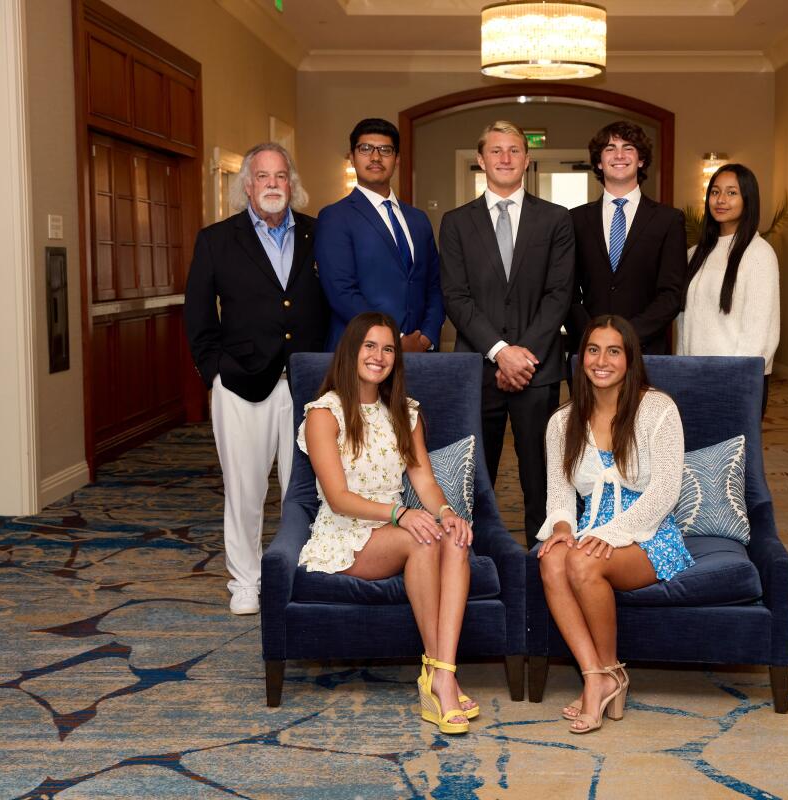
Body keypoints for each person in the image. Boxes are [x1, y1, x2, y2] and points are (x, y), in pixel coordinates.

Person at [297, 312, 478, 734]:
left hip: (398, 527)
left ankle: (441, 675)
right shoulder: (324, 414)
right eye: (370, 346)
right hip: (348, 533)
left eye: (388, 349)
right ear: (351, 351)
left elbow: (423, 479)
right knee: (423, 541)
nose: (379, 356)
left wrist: (448, 514)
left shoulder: (405, 413)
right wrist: (400, 514)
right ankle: (443, 684)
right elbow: (339, 498)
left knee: (451, 540)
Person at [184, 142, 329, 615]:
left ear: (292, 184)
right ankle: (245, 580)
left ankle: (297, 571)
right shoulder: (216, 240)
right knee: (245, 490)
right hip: (242, 384)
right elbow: (199, 319)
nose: (272, 184)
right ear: (246, 185)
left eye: (281, 176)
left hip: (307, 382)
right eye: (263, 176)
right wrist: (215, 374)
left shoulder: (316, 234)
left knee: (304, 486)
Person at [536, 315, 692, 734]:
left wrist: (607, 535)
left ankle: (609, 672)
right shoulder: (561, 422)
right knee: (552, 560)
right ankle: (598, 676)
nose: (601, 360)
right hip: (590, 530)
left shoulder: (657, 409)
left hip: (648, 531)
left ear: (629, 359)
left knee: (583, 564)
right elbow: (560, 494)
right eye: (592, 350)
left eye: (613, 351)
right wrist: (564, 529)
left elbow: (664, 493)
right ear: (580, 357)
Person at [440, 120, 575, 548]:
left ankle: (541, 564)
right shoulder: (457, 223)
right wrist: (500, 352)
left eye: (513, 150)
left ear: (526, 160)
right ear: (480, 160)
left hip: (539, 369)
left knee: (541, 475)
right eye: (495, 150)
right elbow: (456, 297)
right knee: (477, 475)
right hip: (478, 369)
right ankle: (477, 562)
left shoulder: (555, 220)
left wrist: (522, 355)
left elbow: (559, 294)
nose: (504, 158)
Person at [316, 118, 443, 352]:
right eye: (365, 149)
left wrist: (426, 337)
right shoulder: (334, 217)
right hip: (358, 353)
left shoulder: (418, 220)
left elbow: (434, 286)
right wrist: (395, 340)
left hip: (419, 355)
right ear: (352, 157)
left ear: (397, 159)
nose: (375, 157)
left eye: (385, 150)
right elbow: (342, 293)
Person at [569, 121, 686, 355]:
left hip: (646, 350)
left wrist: (628, 336)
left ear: (641, 160)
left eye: (629, 147)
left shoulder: (668, 220)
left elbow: (672, 294)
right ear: (599, 162)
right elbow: (566, 291)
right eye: (610, 148)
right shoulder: (574, 219)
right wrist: (594, 337)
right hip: (589, 351)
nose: (619, 155)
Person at [677, 164, 780, 416]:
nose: (721, 200)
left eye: (732, 193)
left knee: (734, 454)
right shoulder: (695, 254)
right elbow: (685, 322)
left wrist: (733, 379)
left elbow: (757, 330)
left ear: (748, 199)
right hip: (693, 376)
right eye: (715, 192)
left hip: (734, 379)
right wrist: (680, 370)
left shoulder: (758, 254)